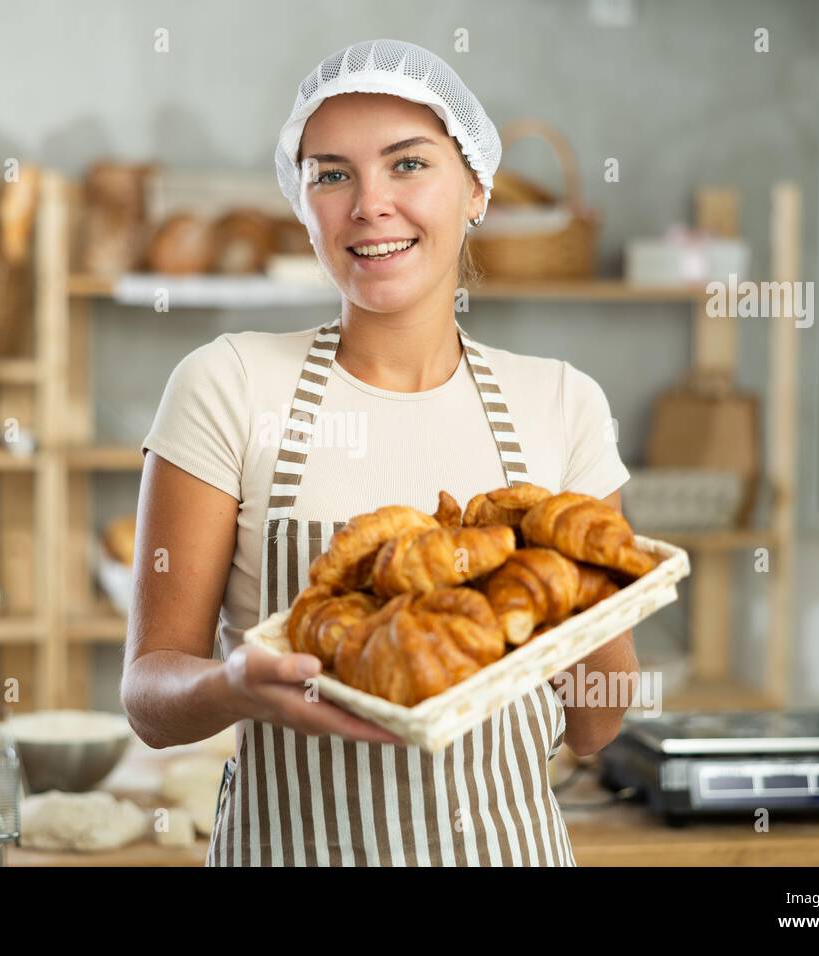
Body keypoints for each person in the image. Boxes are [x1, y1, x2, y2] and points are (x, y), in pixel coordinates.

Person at [122, 39, 638, 866]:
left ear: (475, 188)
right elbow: (150, 697)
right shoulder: (227, 383)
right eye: (332, 174)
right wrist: (233, 686)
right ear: (305, 204)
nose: (370, 204)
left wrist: (582, 583)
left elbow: (596, 722)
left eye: (408, 165)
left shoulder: (562, 402)